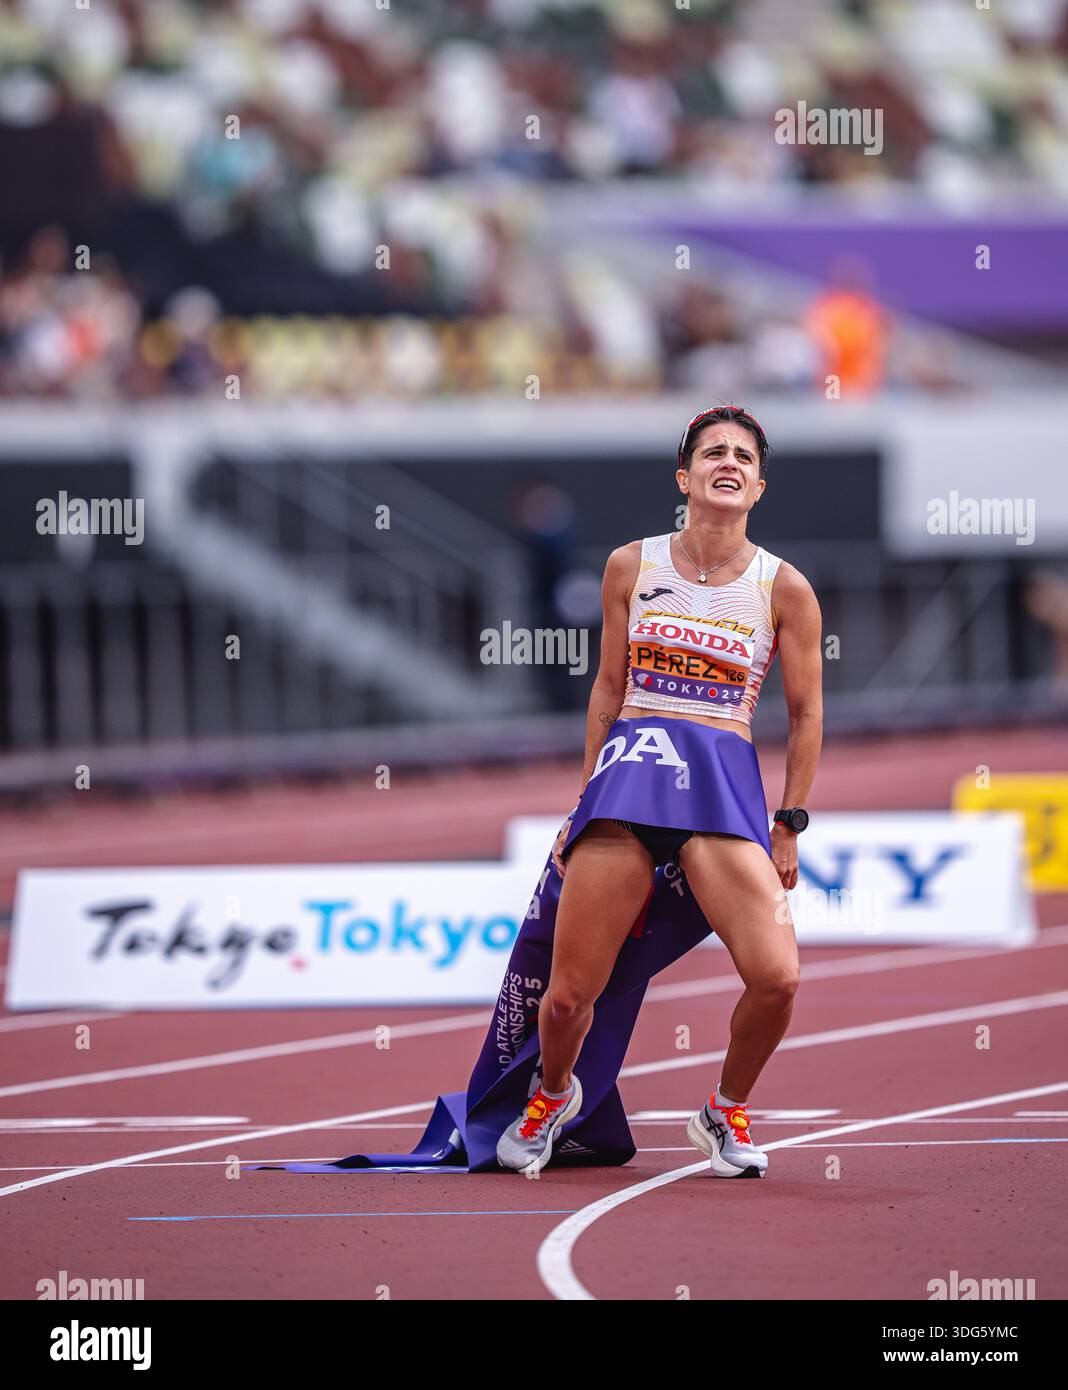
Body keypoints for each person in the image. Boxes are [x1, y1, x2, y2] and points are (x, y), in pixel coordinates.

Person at [496, 405, 823, 1178]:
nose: (729, 462)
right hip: (629, 786)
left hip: (718, 794)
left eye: (743, 455)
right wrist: (583, 805)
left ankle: (724, 1110)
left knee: (777, 978)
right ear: (686, 478)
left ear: (759, 486)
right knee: (570, 997)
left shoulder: (787, 589)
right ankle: (552, 1098)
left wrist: (790, 823)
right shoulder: (630, 566)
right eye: (713, 452)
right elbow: (608, 689)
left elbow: (807, 715)